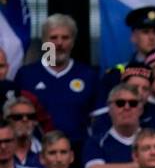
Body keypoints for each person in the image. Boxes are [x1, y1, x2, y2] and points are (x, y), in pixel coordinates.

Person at [14, 14, 98, 149]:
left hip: (78, 152)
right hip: (36, 152)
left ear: (73, 41)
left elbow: (96, 121)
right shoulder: (26, 75)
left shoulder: (88, 75)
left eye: (65, 38)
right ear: (43, 41)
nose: (59, 43)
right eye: (53, 37)